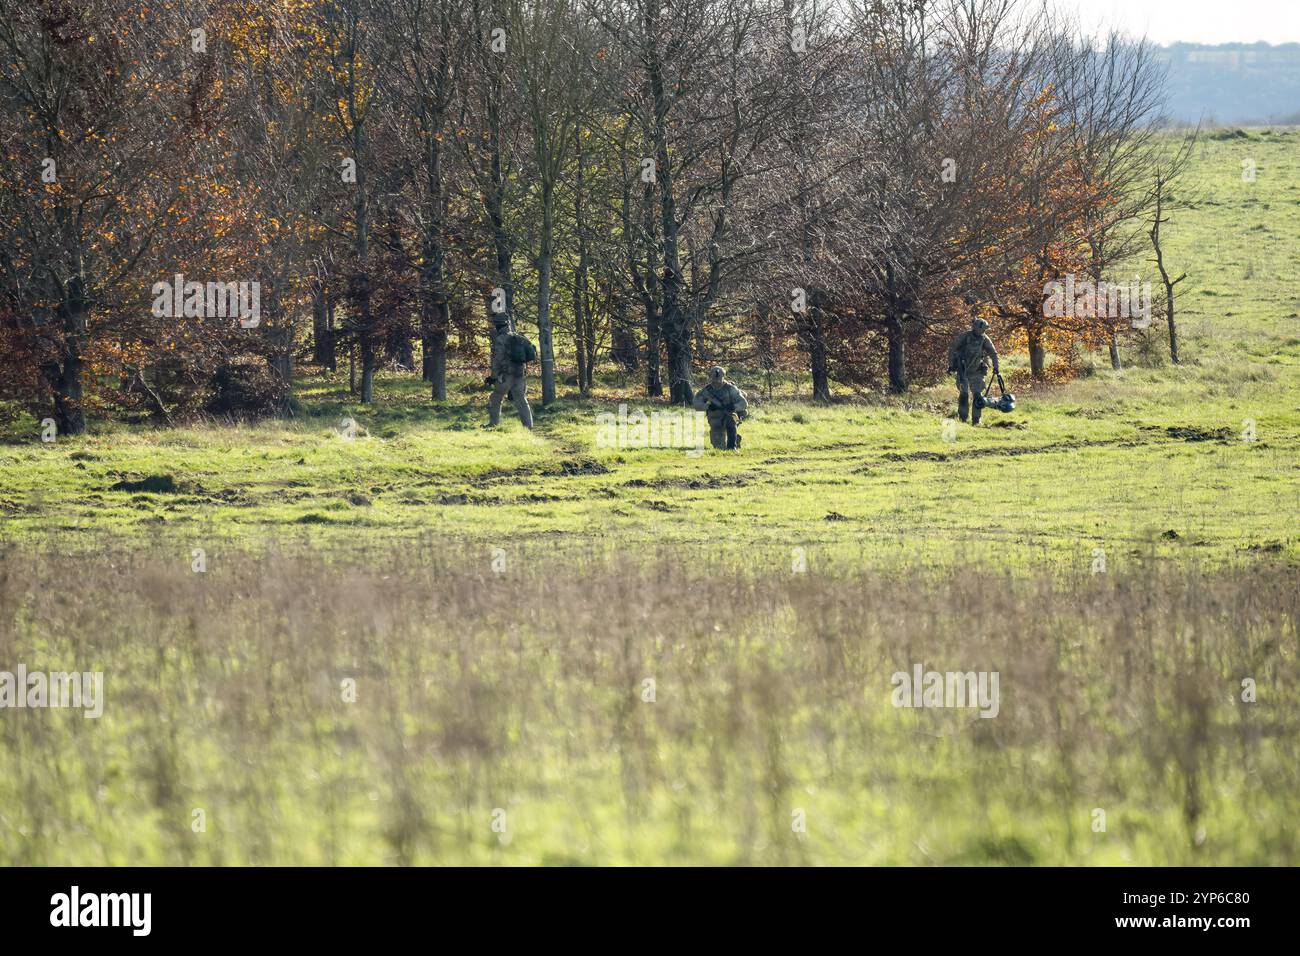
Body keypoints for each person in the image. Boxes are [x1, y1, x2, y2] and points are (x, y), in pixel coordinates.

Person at [948, 317, 1000, 426]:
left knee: (978, 396)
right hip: (963, 371)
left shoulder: (985, 339)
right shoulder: (964, 336)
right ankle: (963, 419)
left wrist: (996, 366)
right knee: (964, 394)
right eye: (982, 329)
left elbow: (993, 353)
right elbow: (953, 349)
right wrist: (951, 364)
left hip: (977, 371)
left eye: (984, 330)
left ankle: (976, 421)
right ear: (975, 328)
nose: (983, 331)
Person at [487, 315, 533, 429]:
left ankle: (493, 424)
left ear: (498, 325)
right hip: (520, 374)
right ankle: (528, 426)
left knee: (495, 398)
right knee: (521, 400)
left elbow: (498, 359)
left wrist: (493, 376)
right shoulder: (519, 337)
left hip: (506, 375)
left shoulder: (500, 339)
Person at [692, 366, 748, 450]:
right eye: (714, 378)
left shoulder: (730, 389)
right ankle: (735, 438)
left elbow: (743, 403)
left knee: (731, 423)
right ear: (710, 377)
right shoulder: (706, 391)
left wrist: (733, 407)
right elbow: (696, 403)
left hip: (729, 415)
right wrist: (707, 406)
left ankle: (732, 447)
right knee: (719, 447)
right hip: (715, 418)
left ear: (723, 376)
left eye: (719, 377)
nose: (716, 380)